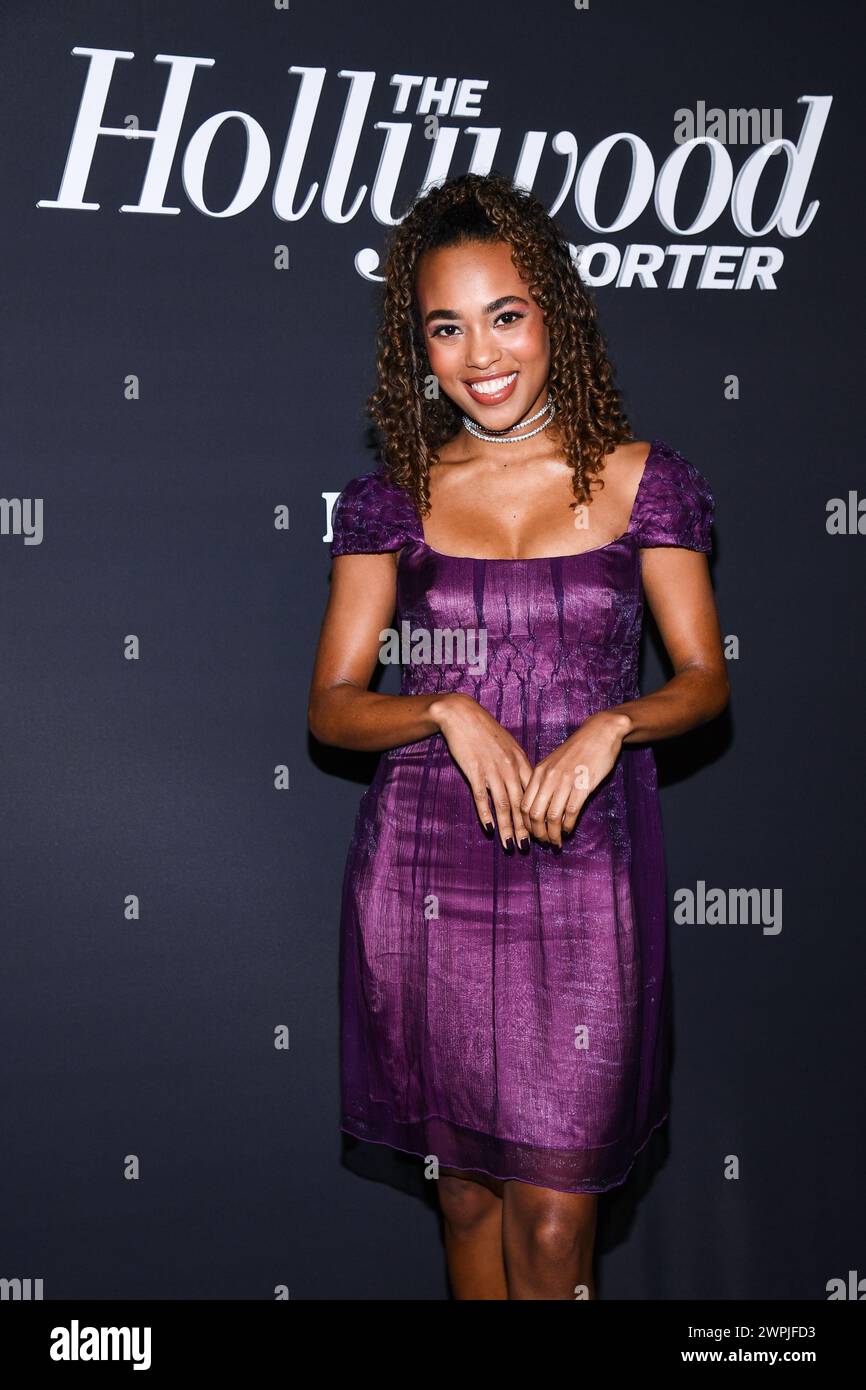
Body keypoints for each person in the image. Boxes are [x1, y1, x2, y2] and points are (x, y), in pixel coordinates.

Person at [308, 171, 729, 1300]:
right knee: (466, 1196)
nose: (479, 353)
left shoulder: (646, 482)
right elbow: (334, 707)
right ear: (420, 347)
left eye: (504, 315)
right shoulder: (389, 496)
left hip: (583, 866)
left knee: (552, 1222)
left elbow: (700, 681)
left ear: (555, 314)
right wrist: (443, 709)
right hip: (421, 872)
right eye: (445, 326)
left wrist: (611, 725)